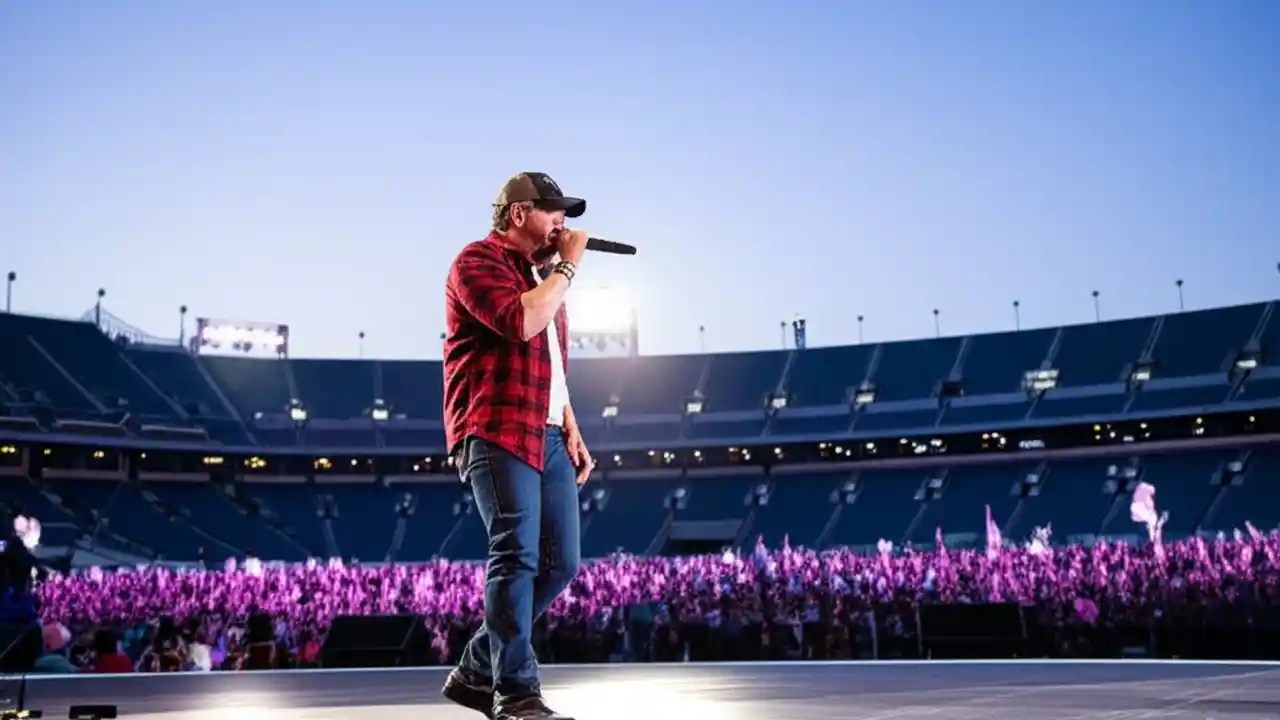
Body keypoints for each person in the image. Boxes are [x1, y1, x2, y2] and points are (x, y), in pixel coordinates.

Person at [440, 171, 594, 720]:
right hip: (497, 426)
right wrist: (567, 267)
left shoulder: (541, 278)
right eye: (553, 211)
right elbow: (519, 321)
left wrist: (570, 420)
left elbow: (551, 363)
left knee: (561, 563)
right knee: (517, 556)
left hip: (547, 431)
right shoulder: (476, 261)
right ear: (518, 214)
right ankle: (516, 693)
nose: (562, 222)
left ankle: (475, 670)